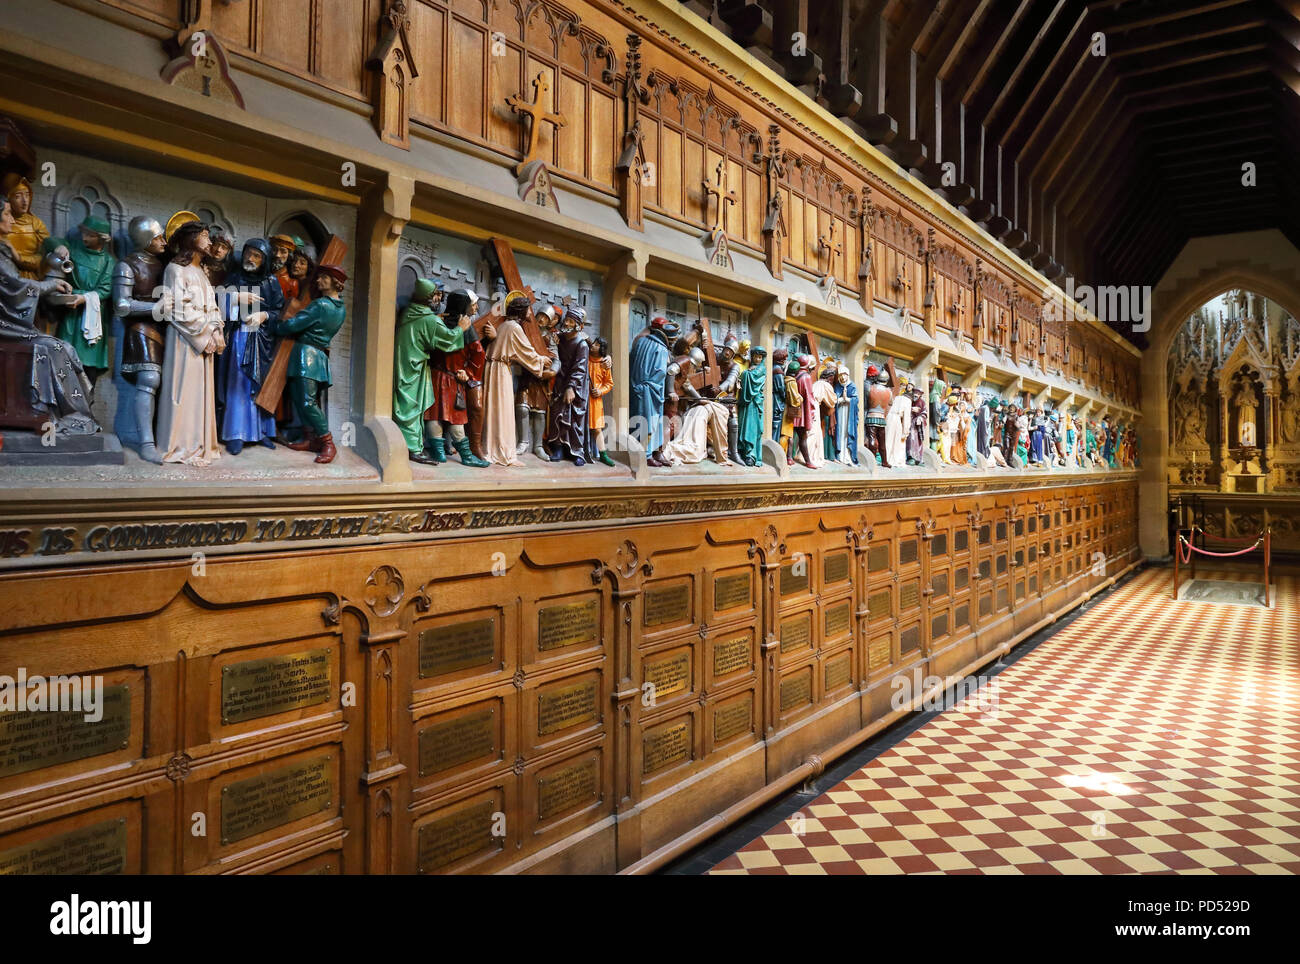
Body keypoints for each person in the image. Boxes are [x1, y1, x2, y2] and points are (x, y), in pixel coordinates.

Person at [0, 196, 97, 436]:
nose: (12, 219)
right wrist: (51, 285)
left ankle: (66, 411)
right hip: (6, 329)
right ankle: (53, 411)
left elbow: (18, 286)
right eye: (7, 214)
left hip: (11, 325)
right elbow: (17, 288)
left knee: (62, 347)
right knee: (55, 348)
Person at [156, 220, 226, 466]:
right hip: (185, 341)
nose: (209, 241)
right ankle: (180, 445)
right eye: (205, 236)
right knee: (183, 392)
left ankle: (199, 444)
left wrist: (216, 330)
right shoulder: (175, 270)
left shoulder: (202, 273)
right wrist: (205, 332)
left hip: (203, 340)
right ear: (191, 240)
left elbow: (213, 305)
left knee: (201, 395)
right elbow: (174, 308)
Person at [217, 238, 283, 454]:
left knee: (260, 386)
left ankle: (262, 431)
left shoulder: (271, 282)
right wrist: (235, 300)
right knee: (238, 383)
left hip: (262, 340)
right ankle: (236, 433)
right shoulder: (235, 277)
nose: (250, 258)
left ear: (264, 260)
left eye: (256, 255)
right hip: (239, 336)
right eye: (248, 253)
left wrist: (264, 315)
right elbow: (218, 302)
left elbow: (279, 311)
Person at [112, 215, 168, 462]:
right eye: (157, 237)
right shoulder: (127, 266)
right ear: (144, 239)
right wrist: (156, 308)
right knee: (149, 378)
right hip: (142, 328)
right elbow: (122, 305)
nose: (163, 241)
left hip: (168, 328)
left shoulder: (165, 264)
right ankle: (146, 443)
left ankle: (166, 437)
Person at [279, 264, 348, 464]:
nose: (318, 281)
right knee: (301, 399)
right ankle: (311, 439)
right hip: (317, 356)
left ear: (335, 282)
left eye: (323, 278)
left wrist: (276, 325)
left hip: (306, 354)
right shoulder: (340, 308)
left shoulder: (321, 305)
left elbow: (294, 324)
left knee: (307, 401)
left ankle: (328, 443)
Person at [393, 280, 464, 464]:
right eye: (435, 295)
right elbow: (448, 339)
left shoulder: (410, 312)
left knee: (405, 405)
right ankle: (413, 449)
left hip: (404, 364)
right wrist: (461, 328)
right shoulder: (429, 320)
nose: (437, 298)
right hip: (414, 369)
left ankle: (410, 446)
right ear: (426, 297)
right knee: (412, 408)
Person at [482, 291, 553, 466]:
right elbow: (526, 352)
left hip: (493, 368)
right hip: (500, 372)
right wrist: (542, 360)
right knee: (502, 410)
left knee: (495, 410)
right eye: (528, 309)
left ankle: (492, 446)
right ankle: (501, 451)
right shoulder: (514, 327)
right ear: (521, 310)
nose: (531, 313)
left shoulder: (505, 325)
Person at [425, 287, 489, 467]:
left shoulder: (438, 322)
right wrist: (468, 372)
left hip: (436, 377)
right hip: (452, 378)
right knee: (456, 418)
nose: (475, 308)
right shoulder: (465, 327)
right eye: (472, 304)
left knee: (435, 415)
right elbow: (479, 354)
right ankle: (465, 456)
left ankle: (440, 454)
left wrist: (466, 372)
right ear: (463, 305)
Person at [56, 215, 117, 392]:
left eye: (90, 235)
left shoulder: (108, 262)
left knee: (87, 369)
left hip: (93, 318)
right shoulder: (72, 252)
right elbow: (49, 242)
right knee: (64, 361)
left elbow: (106, 289)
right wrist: (57, 246)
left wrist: (83, 298)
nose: (85, 238)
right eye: (84, 233)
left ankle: (86, 412)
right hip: (71, 316)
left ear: (102, 238)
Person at [545, 305, 591, 466]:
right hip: (560, 381)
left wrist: (571, 387)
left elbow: (580, 368)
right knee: (558, 416)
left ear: (580, 326)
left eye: (572, 321)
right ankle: (557, 447)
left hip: (576, 386)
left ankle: (577, 451)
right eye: (567, 320)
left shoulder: (582, 345)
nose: (567, 324)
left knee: (575, 419)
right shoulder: (560, 338)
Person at [629, 316, 677, 465]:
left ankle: (657, 452)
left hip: (636, 387)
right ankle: (647, 454)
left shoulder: (640, 341)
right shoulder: (662, 349)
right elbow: (660, 373)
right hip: (650, 391)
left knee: (643, 422)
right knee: (650, 423)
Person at [1, 174, 49, 281]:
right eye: (18, 196)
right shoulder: (3, 224)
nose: (25, 201)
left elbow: (45, 254)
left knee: (30, 294)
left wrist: (20, 259)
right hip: (6, 276)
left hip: (31, 279)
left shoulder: (36, 223)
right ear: (8, 198)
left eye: (27, 195)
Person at [735, 345, 766, 467]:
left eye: (759, 357)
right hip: (746, 403)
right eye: (755, 356)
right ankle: (744, 451)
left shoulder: (761, 369)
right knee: (744, 425)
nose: (757, 359)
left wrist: (744, 375)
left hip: (754, 402)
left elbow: (752, 378)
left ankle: (751, 455)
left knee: (752, 427)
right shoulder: (750, 367)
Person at [587, 336, 615, 466]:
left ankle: (602, 454)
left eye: (597, 345)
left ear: (602, 349)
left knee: (597, 429)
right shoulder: (585, 357)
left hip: (595, 400)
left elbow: (609, 383)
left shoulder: (604, 364)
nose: (593, 345)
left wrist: (600, 391)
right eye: (594, 343)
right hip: (583, 398)